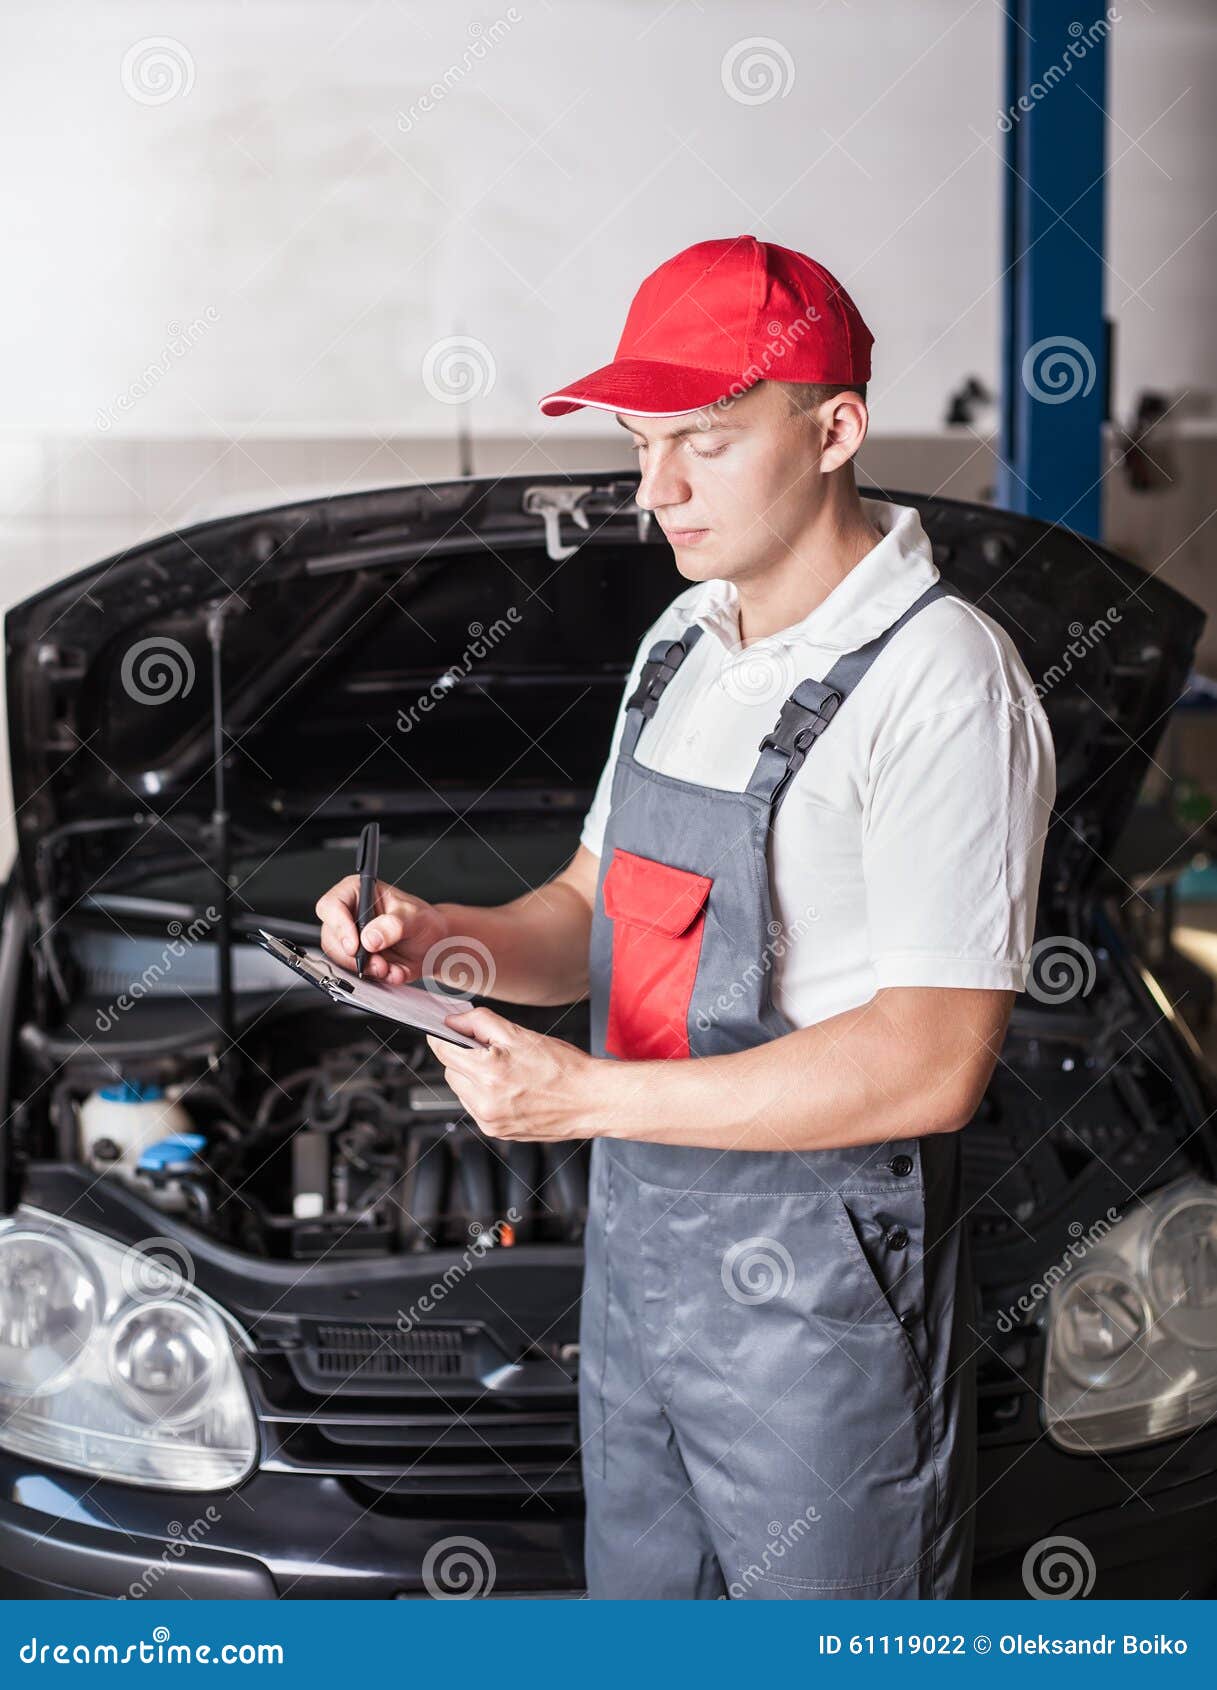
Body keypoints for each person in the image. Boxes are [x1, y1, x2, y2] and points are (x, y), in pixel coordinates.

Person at [315, 235, 1057, 1600]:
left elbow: (932, 1059)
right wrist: (438, 939)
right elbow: (590, 910)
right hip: (646, 1260)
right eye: (639, 440)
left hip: (824, 1302)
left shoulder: (942, 680)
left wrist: (588, 1096)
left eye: (703, 442)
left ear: (833, 429)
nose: (653, 487)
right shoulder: (681, 642)